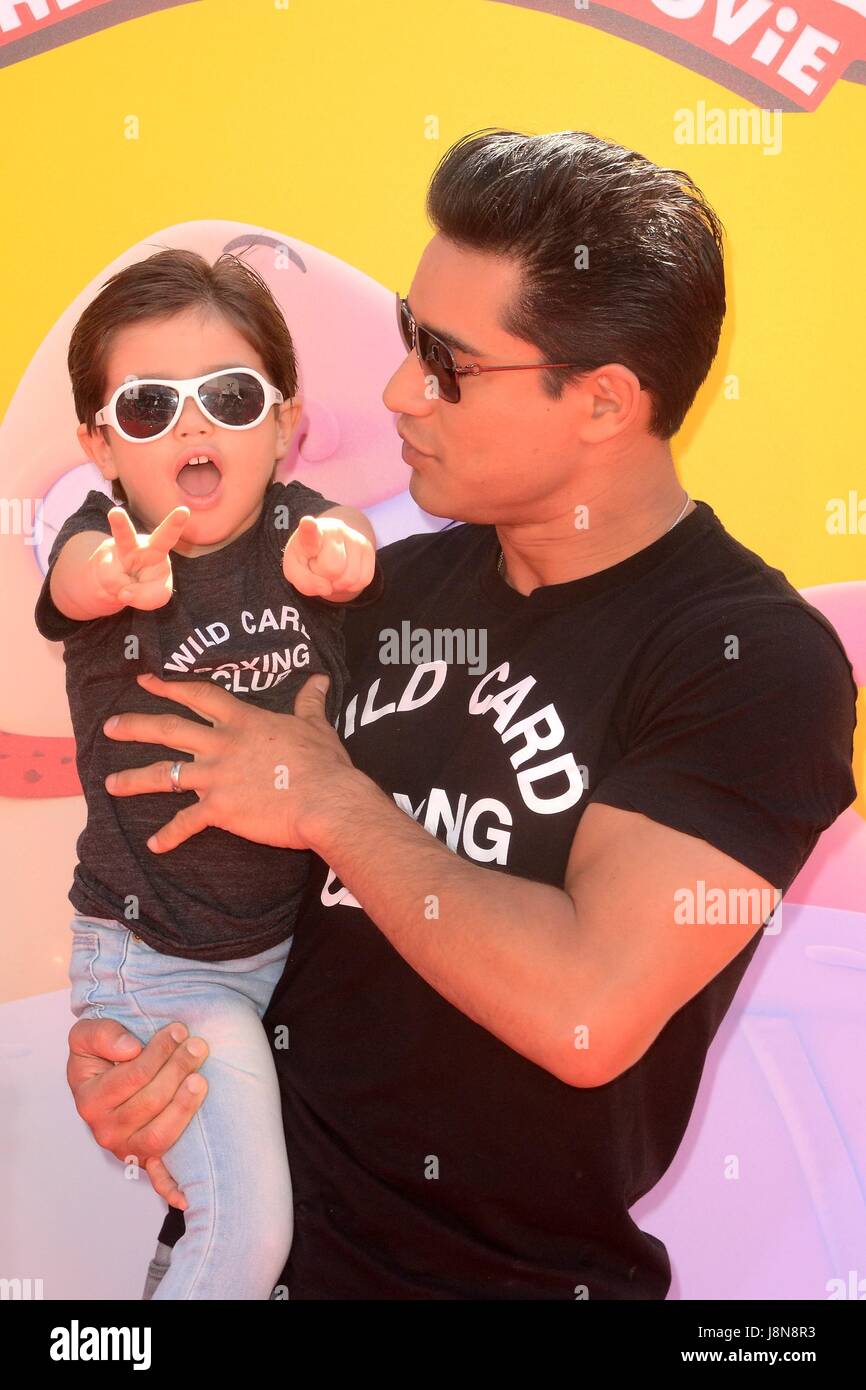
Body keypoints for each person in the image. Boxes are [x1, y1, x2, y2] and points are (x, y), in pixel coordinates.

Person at [66, 129, 858, 1300]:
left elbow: (585, 1010)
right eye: (404, 336)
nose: (397, 391)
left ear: (600, 402)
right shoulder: (385, 593)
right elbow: (242, 908)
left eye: (446, 361)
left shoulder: (746, 661)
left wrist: (333, 802)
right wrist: (148, 1060)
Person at [36, 248, 379, 1299]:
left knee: (232, 1219)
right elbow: (70, 582)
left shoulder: (297, 524)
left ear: (283, 423)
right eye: (147, 408)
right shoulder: (111, 537)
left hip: (291, 954)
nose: (192, 428)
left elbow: (349, 535)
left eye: (227, 398)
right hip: (162, 960)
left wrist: (348, 555)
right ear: (99, 443)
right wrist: (113, 574)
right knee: (243, 1232)